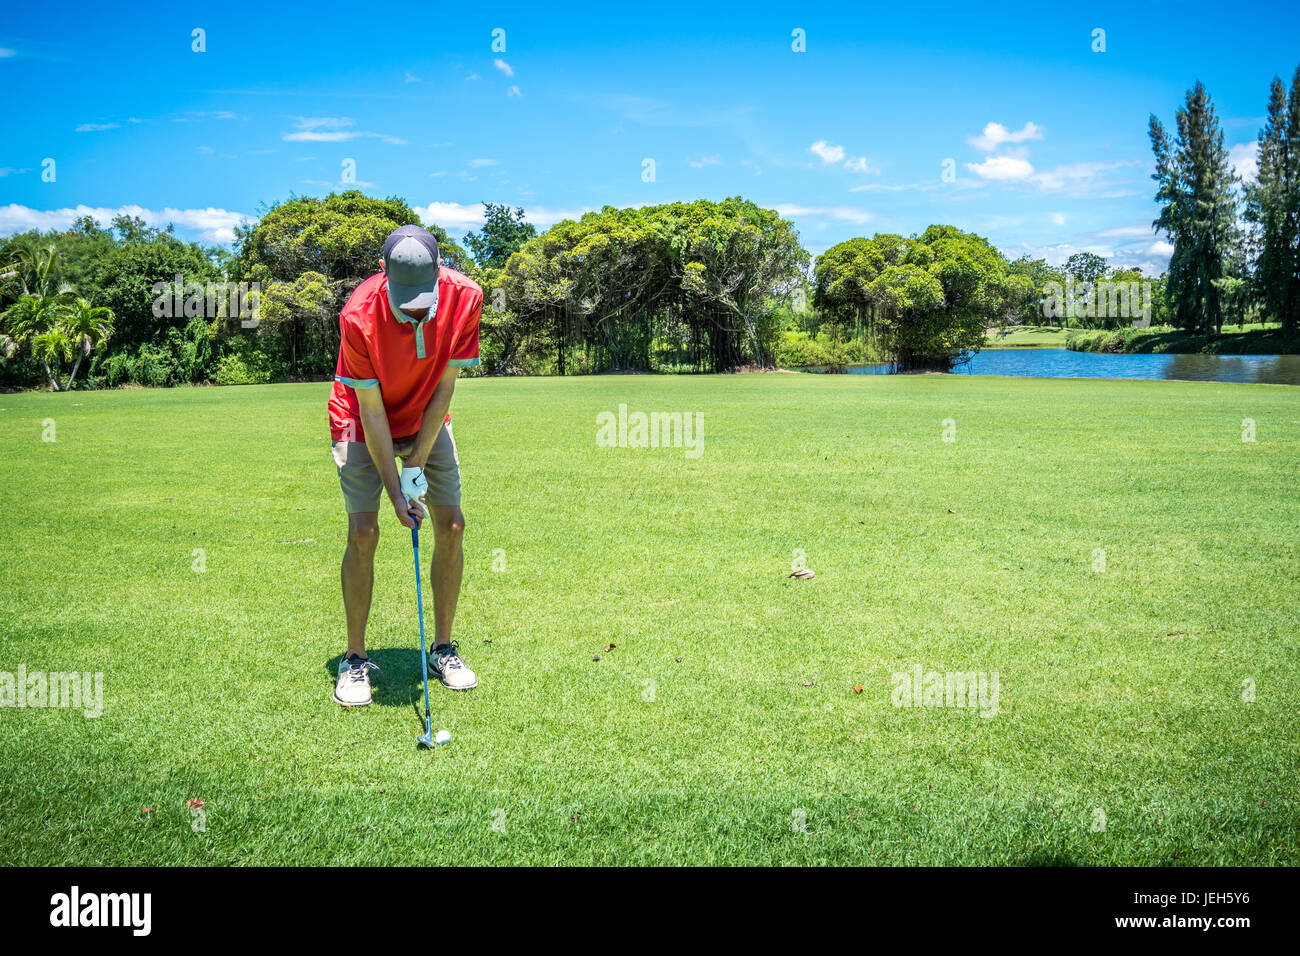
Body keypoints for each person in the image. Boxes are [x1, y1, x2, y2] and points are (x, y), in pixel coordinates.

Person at [326, 225, 482, 706]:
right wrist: (397, 493)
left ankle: (442, 649)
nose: (413, 306)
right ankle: (354, 660)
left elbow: (446, 388)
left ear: (442, 270)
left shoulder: (467, 298)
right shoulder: (357, 316)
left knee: (452, 524)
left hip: (427, 415)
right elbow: (371, 411)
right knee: (365, 531)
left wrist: (415, 463)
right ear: (382, 273)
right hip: (360, 416)